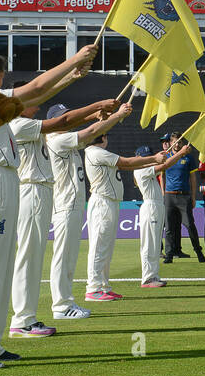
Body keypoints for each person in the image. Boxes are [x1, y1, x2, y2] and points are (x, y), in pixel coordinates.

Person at [0, 44, 95, 370]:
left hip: (2, 180)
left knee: (0, 266)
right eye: (1, 78)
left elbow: (32, 98)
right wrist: (74, 60)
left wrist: (71, 76)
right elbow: (35, 89)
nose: (4, 85)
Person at [8, 98, 117, 338]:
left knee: (43, 256)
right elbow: (72, 125)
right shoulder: (48, 135)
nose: (35, 108)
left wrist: (95, 115)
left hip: (48, 194)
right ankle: (46, 310)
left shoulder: (46, 133)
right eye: (31, 103)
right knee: (40, 255)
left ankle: (37, 313)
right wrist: (109, 113)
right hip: (40, 193)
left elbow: (74, 123)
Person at [48, 100, 127, 321]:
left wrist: (97, 116)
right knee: (63, 256)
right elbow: (90, 132)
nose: (68, 119)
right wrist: (117, 115)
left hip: (73, 205)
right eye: (64, 117)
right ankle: (61, 305)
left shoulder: (65, 140)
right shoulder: (58, 140)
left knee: (70, 255)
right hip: (65, 204)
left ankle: (66, 302)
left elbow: (90, 130)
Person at [83, 127, 165, 302]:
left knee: (106, 247)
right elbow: (127, 162)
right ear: (103, 137)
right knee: (99, 247)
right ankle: (93, 288)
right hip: (102, 201)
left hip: (109, 202)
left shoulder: (97, 152)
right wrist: (154, 158)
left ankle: (103, 286)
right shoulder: (96, 152)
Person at [134, 141, 192, 288]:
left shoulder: (149, 169)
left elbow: (164, 163)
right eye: (145, 157)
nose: (149, 160)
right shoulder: (140, 170)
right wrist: (180, 153)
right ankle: (147, 278)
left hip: (157, 206)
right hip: (150, 207)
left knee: (154, 245)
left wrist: (169, 153)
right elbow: (164, 166)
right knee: (149, 244)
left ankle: (153, 276)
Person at [161, 131, 205, 265]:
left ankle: (198, 251)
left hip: (183, 196)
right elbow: (161, 176)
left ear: (182, 143)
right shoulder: (166, 156)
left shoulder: (189, 158)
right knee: (169, 228)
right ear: (170, 143)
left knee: (190, 225)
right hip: (169, 196)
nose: (177, 144)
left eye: (179, 141)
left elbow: (193, 179)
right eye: (174, 141)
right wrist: (164, 193)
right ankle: (169, 255)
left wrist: (193, 197)